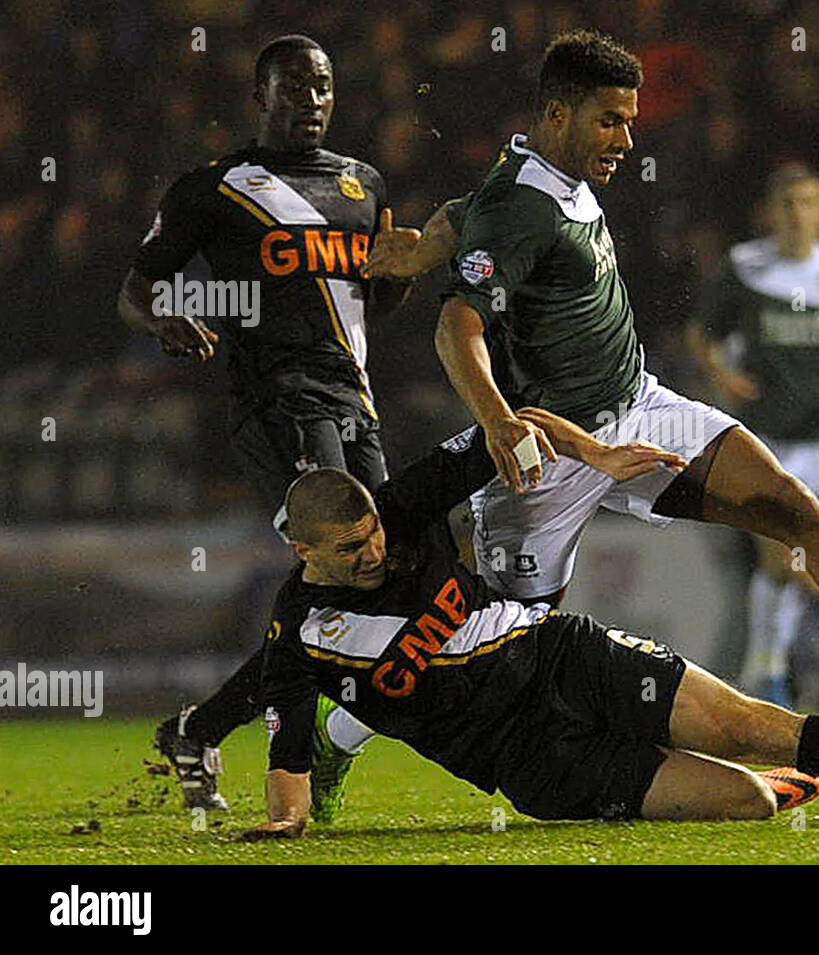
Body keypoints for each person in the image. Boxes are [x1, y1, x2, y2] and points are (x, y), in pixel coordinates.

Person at [364, 30, 819, 728]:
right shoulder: (519, 205)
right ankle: (346, 723)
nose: (626, 138)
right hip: (553, 449)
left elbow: (463, 213)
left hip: (641, 408)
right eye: (610, 120)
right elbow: (457, 327)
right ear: (558, 114)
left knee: (788, 505)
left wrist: (421, 250)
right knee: (496, 640)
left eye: (630, 118)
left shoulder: (533, 172)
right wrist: (499, 419)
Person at [240, 408, 819, 839]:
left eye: (373, 531)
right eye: (351, 547)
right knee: (748, 802)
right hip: (534, 763)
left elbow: (508, 426)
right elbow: (287, 757)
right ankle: (783, 783)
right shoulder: (297, 635)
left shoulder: (403, 509)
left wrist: (593, 453)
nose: (375, 548)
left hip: (559, 658)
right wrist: (286, 823)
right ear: (302, 550)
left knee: (744, 722)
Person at [118, 34, 458, 814]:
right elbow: (134, 290)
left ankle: (199, 728)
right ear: (258, 96)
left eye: (323, 86)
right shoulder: (216, 190)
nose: (312, 100)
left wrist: (398, 271)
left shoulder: (362, 184)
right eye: (295, 86)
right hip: (275, 405)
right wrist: (164, 315)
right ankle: (289, 760)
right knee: (342, 569)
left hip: (354, 400)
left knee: (388, 575)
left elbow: (373, 303)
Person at [686, 163, 819, 706]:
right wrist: (723, 376)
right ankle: (800, 670)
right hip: (759, 438)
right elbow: (703, 332)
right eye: (788, 204)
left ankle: (774, 677)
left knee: (796, 561)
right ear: (771, 214)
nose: (798, 215)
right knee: (787, 557)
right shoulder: (746, 267)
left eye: (807, 203)